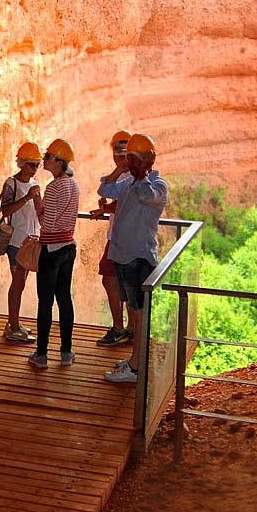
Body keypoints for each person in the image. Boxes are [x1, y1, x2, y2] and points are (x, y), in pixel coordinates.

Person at [100, 134, 169, 385]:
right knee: (135, 311)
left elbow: (146, 196)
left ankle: (136, 368)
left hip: (139, 257)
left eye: (131, 157)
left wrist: (140, 172)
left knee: (139, 315)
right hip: (123, 255)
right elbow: (105, 188)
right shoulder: (128, 182)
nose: (127, 161)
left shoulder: (157, 185)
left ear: (145, 160)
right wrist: (121, 169)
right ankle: (133, 361)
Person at [27, 139, 80, 370]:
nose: (44, 160)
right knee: (65, 298)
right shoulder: (74, 184)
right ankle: (66, 351)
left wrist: (38, 202)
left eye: (48, 156)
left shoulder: (54, 187)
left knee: (45, 302)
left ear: (58, 162)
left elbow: (46, 224)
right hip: (68, 246)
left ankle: (41, 354)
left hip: (51, 250)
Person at [91, 130, 133, 347]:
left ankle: (119, 329)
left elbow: (124, 200)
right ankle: (131, 329)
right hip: (123, 237)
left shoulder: (128, 175)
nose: (120, 154)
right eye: (118, 150)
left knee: (110, 278)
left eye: (124, 150)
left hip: (120, 239)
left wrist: (106, 208)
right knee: (125, 282)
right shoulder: (130, 174)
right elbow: (106, 190)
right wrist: (107, 208)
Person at [0, 142, 42, 343]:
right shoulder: (11, 183)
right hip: (16, 240)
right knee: (17, 283)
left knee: (21, 283)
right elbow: (5, 211)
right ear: (21, 163)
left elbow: (39, 213)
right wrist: (26, 198)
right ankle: (13, 326)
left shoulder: (34, 185)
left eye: (37, 165)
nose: (34, 169)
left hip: (31, 240)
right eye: (32, 165)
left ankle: (14, 323)